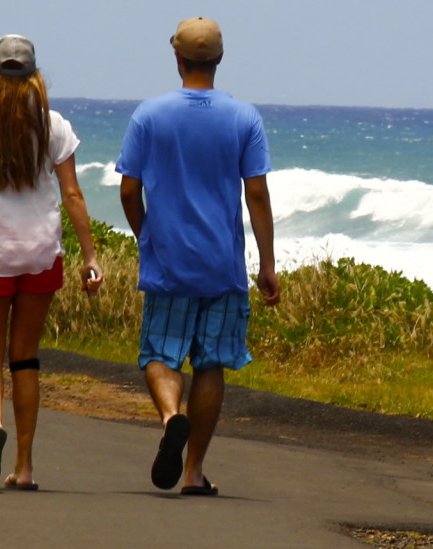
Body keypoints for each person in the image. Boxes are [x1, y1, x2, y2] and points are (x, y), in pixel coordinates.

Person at [117, 17, 280, 496]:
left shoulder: (149, 115)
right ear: (220, 59)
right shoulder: (244, 117)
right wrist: (266, 265)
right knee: (210, 364)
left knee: (158, 355)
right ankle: (193, 473)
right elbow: (258, 196)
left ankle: (171, 418)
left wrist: (146, 235)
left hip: (169, 260)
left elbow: (129, 190)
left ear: (177, 58)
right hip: (222, 264)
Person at [0, 34, 103, 490]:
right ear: (34, 77)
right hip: (39, 254)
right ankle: (25, 467)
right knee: (25, 358)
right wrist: (90, 256)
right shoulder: (53, 127)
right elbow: (72, 194)